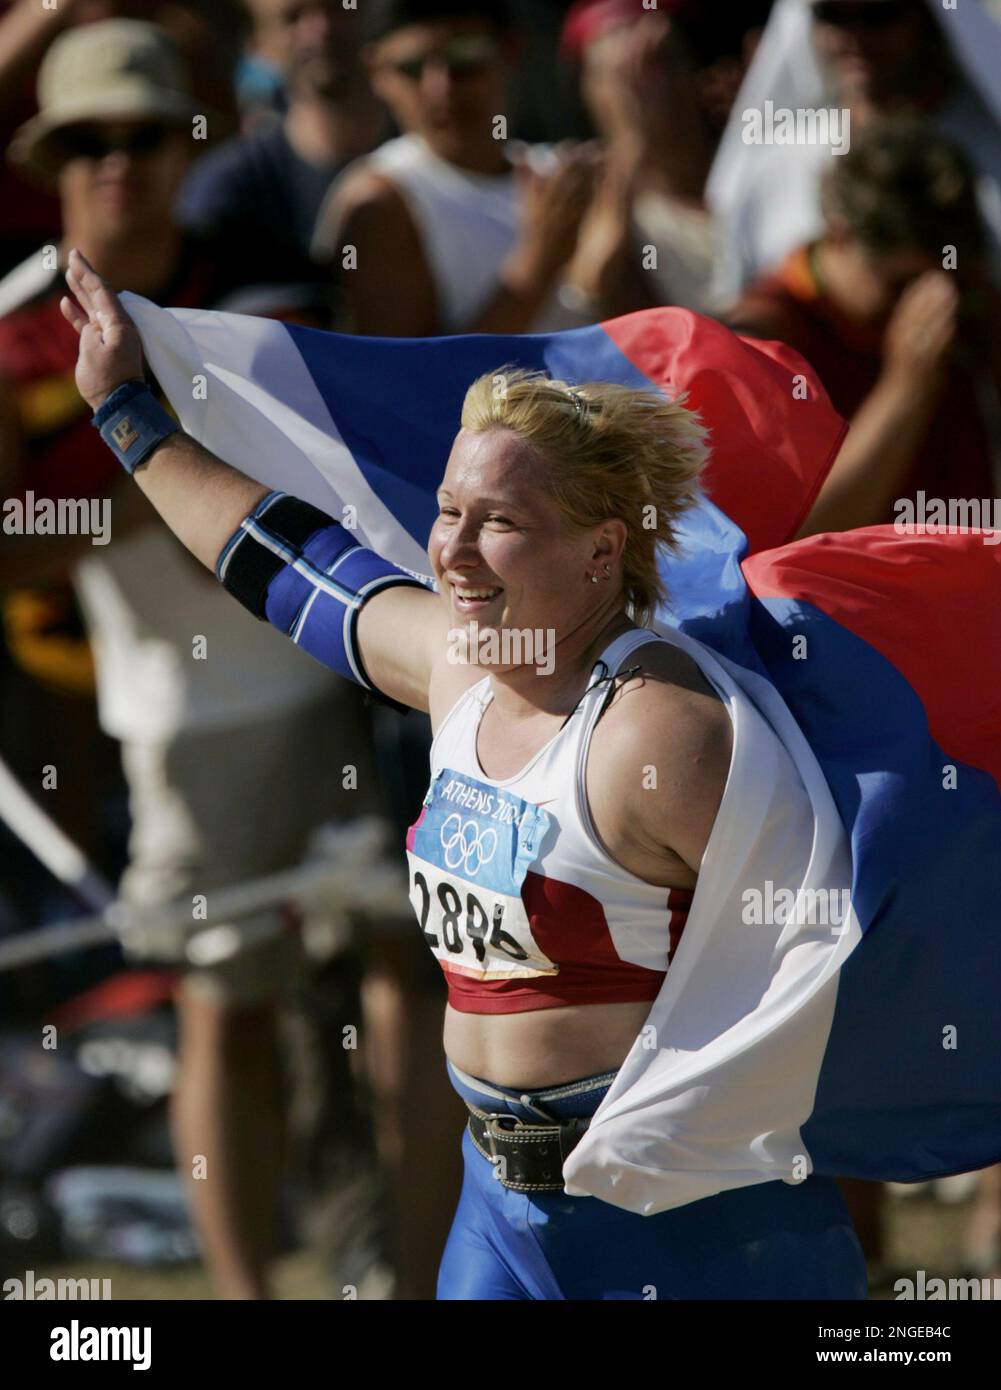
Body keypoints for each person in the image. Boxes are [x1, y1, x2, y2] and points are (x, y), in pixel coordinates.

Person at [59, 248, 870, 1299]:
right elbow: (286, 567)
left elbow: (838, 965)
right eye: (449, 511)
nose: (452, 550)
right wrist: (126, 412)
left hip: (684, 1221)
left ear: (600, 549)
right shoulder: (460, 671)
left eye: (500, 522)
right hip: (494, 1205)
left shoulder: (658, 734)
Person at [0, 19, 384, 1300]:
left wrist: (154, 459)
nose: (121, 164)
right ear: (50, 163)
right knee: (224, 1007)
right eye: (89, 142)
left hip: (360, 676)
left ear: (186, 147)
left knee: (405, 986)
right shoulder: (13, 333)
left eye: (148, 137)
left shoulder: (258, 290)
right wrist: (155, 468)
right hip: (185, 721)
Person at [728, 118, 1001, 536]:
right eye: (903, 284)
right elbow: (794, 535)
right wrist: (906, 388)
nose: (933, 305)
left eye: (952, 283)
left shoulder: (968, 313)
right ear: (840, 237)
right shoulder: (763, 343)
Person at [311, 0, 599, 336]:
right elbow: (404, 368)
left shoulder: (563, 178)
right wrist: (538, 263)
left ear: (511, 50)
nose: (441, 88)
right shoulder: (380, 200)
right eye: (412, 67)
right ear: (377, 72)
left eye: (465, 59)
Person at [707, 0, 1001, 303]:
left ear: (929, 19)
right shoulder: (774, 169)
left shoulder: (991, 152)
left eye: (879, 15)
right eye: (831, 15)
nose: (854, 38)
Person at [557, 0, 772, 320]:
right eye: (620, 73)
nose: (647, 85)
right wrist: (631, 139)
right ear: (587, 94)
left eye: (660, 62)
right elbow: (590, 298)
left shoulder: (759, 172)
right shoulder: (592, 213)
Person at [176, 0, 386, 315]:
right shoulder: (230, 188)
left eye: (337, 7)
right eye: (292, 18)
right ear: (258, 44)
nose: (320, 29)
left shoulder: (437, 148)